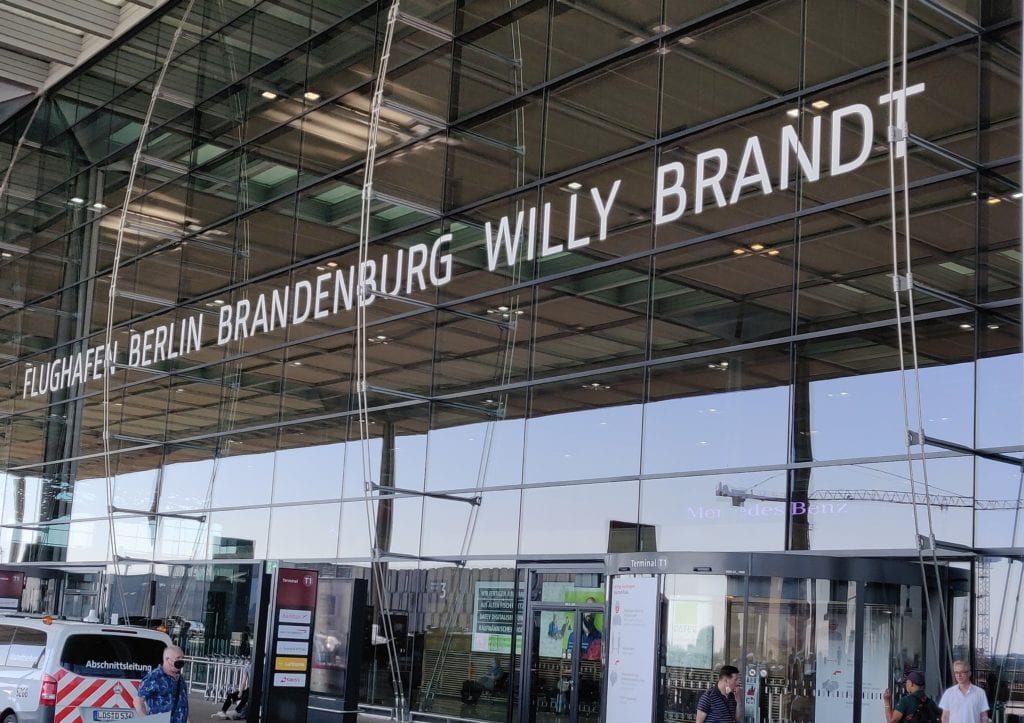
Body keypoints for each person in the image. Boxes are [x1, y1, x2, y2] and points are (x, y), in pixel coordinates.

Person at [135, 645, 190, 723]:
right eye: (178, 658)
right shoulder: (154, 677)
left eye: (182, 658)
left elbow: (183, 704)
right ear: (167, 659)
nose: (181, 661)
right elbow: (138, 702)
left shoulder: (180, 679)